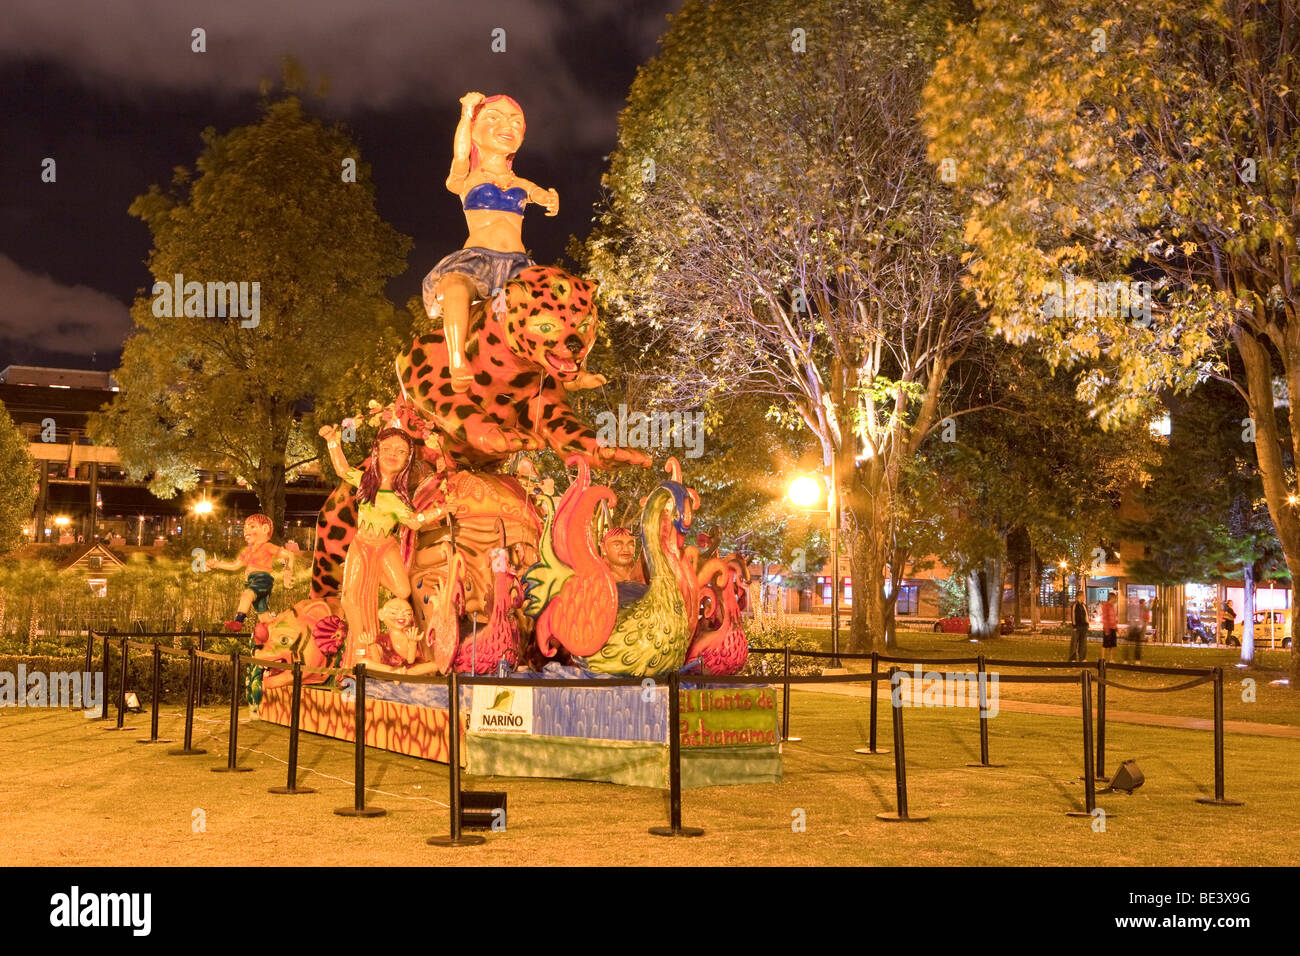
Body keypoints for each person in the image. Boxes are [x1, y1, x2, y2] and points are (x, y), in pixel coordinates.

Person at [422, 92, 603, 393]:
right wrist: (467, 112)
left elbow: (541, 196)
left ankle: (576, 370)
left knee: (567, 301)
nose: (509, 125)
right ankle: (457, 362)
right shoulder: (466, 178)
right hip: (476, 260)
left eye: (516, 122)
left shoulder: (521, 183)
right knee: (454, 287)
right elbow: (460, 153)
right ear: (476, 131)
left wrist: (550, 199)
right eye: (494, 117)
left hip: (518, 266)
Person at [318, 424, 434, 668]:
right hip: (362, 544)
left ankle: (367, 574)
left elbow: (414, 522)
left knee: (403, 591)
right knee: (350, 598)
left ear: (407, 461)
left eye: (401, 451)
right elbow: (341, 469)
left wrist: (442, 510)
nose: (393, 454)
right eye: (387, 448)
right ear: (377, 452)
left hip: (385, 547)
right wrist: (332, 441)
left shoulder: (399, 499)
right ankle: (363, 647)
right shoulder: (365, 481)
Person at [209, 513, 296, 632]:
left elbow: (289, 555)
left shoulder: (267, 546)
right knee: (264, 616)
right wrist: (217, 564)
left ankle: (238, 622)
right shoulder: (248, 552)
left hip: (262, 579)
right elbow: (235, 565)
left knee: (247, 595)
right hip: (251, 581)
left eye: (252, 527)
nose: (246, 531)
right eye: (245, 528)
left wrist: (288, 571)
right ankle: (282, 628)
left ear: (265, 529)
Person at [1099, 591, 1118, 661]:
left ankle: (1111, 658)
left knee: (1112, 644)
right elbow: (1105, 618)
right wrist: (1106, 629)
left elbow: (1114, 617)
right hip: (1107, 628)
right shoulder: (1106, 606)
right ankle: (1103, 658)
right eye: (1115, 598)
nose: (1116, 600)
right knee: (1105, 644)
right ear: (1111, 598)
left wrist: (1115, 626)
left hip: (1112, 627)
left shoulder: (1112, 606)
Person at [1070, 593, 1089, 662]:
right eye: (1082, 596)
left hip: (1084, 627)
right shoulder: (1075, 605)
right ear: (1078, 597)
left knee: (1083, 644)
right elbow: (1073, 616)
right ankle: (1072, 658)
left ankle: (1082, 658)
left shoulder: (1084, 605)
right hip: (1077, 627)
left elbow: (1086, 614)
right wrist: (1074, 625)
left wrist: (1087, 623)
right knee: (1074, 643)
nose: (1083, 597)